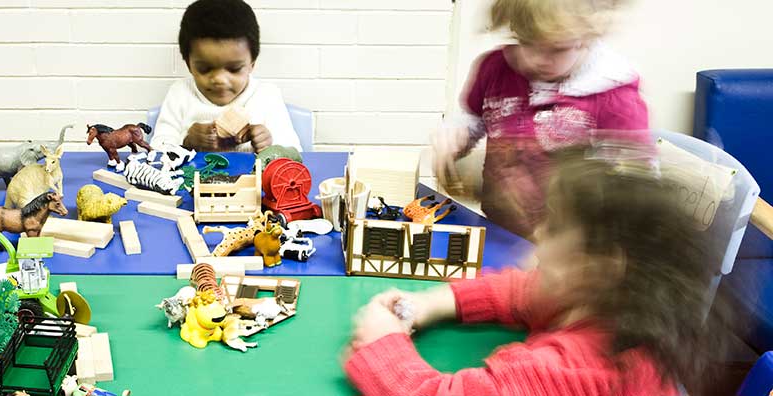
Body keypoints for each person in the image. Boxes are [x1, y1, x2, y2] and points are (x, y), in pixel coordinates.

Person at [345, 150, 729, 395]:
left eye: (556, 226)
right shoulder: (609, 304)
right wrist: (429, 304)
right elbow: (520, 291)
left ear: (600, 266)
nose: (540, 232)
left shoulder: (576, 371)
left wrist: (383, 344)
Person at [433, 0, 650, 238]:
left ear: (587, 37)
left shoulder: (613, 95)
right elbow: (474, 117)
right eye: (526, 42)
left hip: (571, 243)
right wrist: (456, 135)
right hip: (501, 228)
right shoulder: (495, 68)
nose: (538, 59)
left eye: (557, 49)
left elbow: (636, 180)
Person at [149, 0, 301, 153]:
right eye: (205, 69)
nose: (220, 80)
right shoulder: (180, 94)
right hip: (192, 176)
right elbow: (156, 152)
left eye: (234, 69)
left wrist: (270, 145)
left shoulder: (267, 96)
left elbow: (295, 152)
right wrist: (187, 142)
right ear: (189, 65)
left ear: (252, 64)